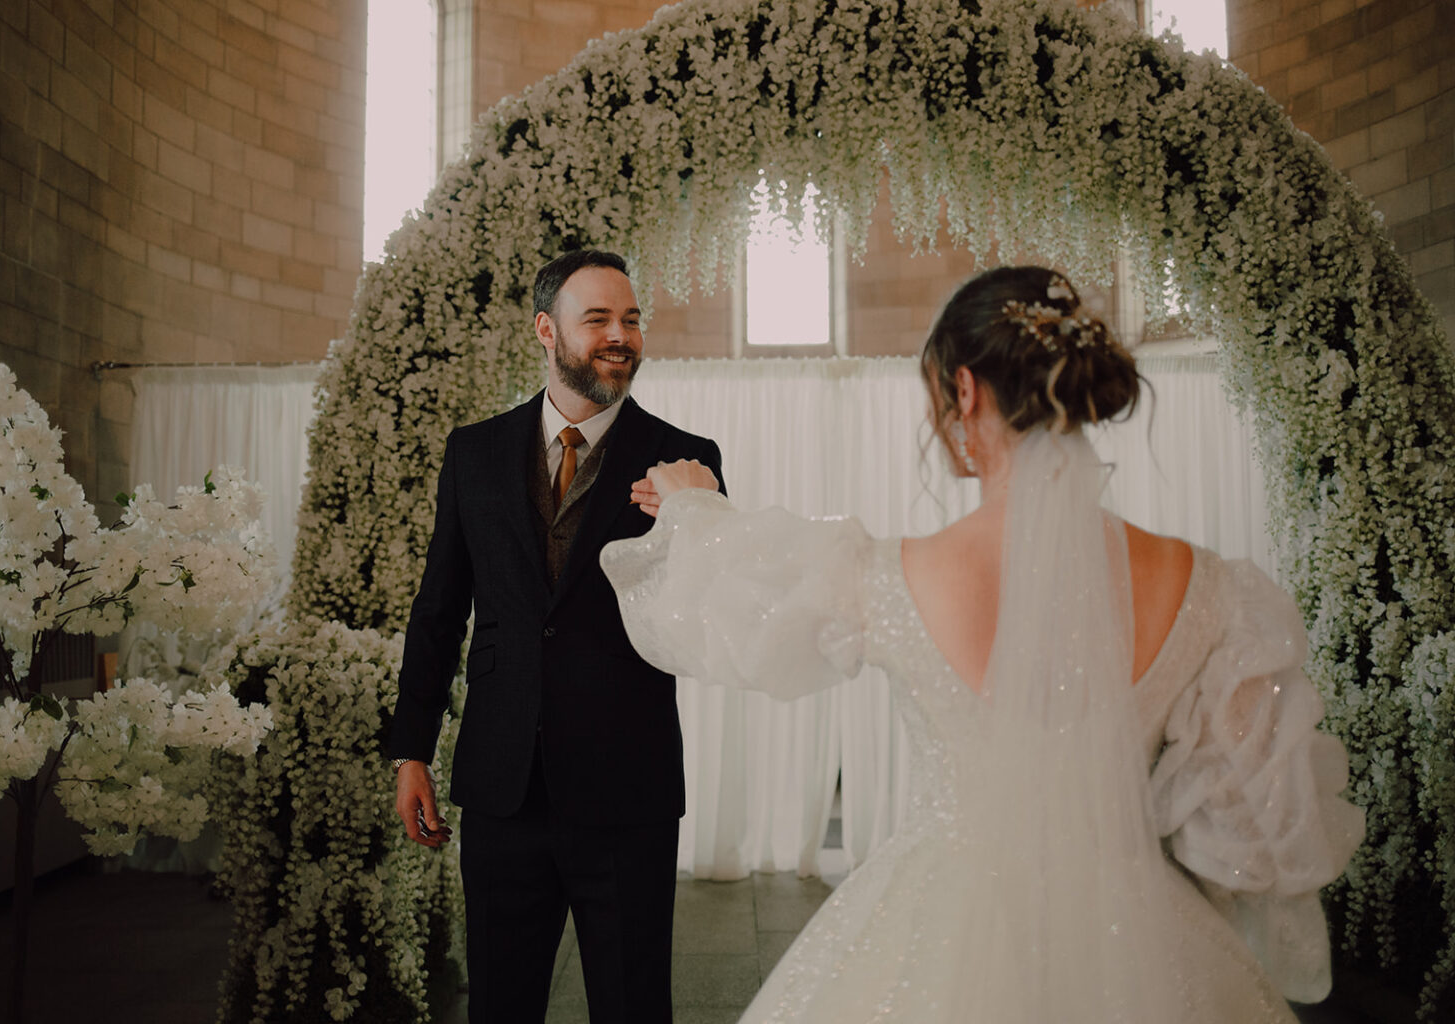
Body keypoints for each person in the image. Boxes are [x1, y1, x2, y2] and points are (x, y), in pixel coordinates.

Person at [601, 265, 1364, 1022]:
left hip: (938, 914)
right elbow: (1255, 832)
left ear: (964, 390)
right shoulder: (1209, 588)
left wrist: (695, 512)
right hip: (1138, 926)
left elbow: (737, 612)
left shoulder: (892, 575)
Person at [386, 249, 724, 1024]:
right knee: (500, 1005)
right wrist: (412, 750)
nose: (621, 336)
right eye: (598, 318)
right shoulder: (473, 453)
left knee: (634, 1006)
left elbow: (707, 621)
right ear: (546, 329)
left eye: (632, 319)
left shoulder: (689, 463)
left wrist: (706, 519)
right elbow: (439, 611)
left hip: (627, 790)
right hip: (504, 786)